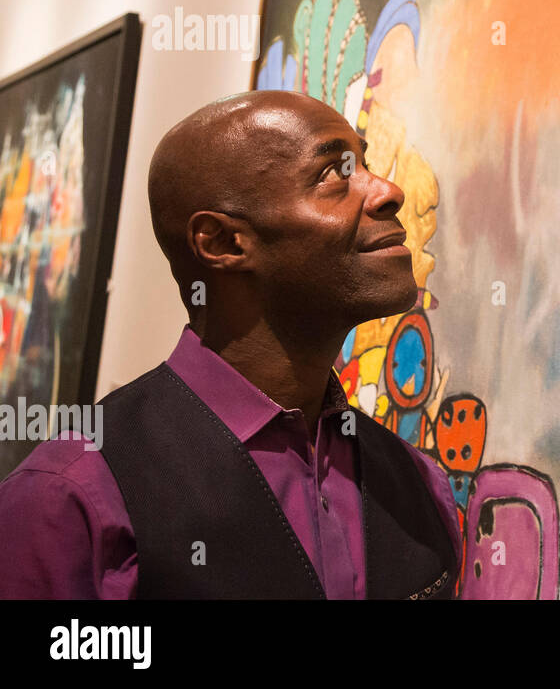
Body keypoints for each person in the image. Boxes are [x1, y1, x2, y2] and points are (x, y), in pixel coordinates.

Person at [0, 90, 461, 599]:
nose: (388, 191)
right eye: (333, 173)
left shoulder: (419, 484)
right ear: (222, 243)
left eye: (365, 164)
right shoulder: (71, 500)